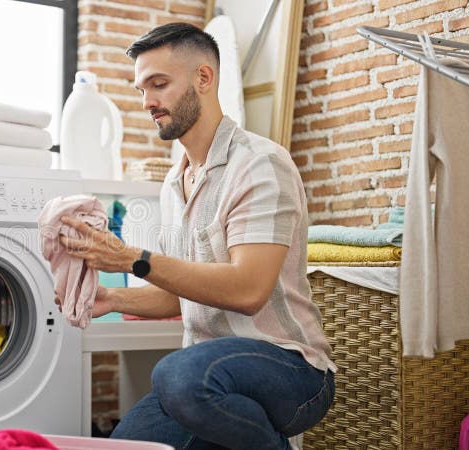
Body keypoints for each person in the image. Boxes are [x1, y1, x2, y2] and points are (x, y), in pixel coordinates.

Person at [58, 22, 336, 450]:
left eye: (159, 84)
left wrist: (131, 259)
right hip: (205, 377)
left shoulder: (259, 164)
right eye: (141, 89)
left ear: (203, 78)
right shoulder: (174, 183)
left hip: (291, 368)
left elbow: (248, 290)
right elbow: (177, 297)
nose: (147, 102)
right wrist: (114, 300)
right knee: (125, 443)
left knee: (176, 373)